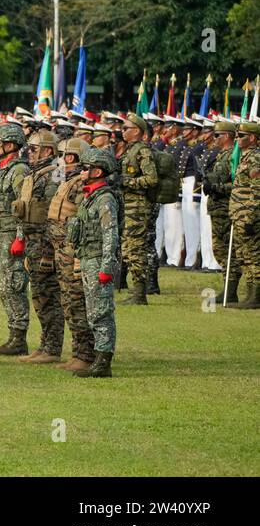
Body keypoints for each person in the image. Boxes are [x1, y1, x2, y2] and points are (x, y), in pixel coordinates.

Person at [71, 145, 122, 377]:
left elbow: (110, 233)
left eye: (86, 168)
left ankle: (103, 363)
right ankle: (98, 358)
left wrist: (107, 267)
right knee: (93, 311)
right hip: (88, 258)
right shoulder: (90, 197)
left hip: (99, 260)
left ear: (98, 172)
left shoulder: (104, 199)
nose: (82, 172)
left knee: (101, 312)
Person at [15, 130, 63, 364]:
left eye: (33, 149)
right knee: (39, 296)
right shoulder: (36, 175)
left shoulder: (54, 175)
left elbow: (50, 217)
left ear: (48, 151)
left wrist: (48, 252)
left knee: (49, 296)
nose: (29, 153)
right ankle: (44, 345)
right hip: (33, 243)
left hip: (46, 245)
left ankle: (52, 348)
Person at [48, 137, 95, 372]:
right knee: (68, 302)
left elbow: (83, 222)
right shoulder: (67, 183)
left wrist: (77, 257)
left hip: (73, 253)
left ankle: (85, 355)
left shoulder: (80, 185)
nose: (60, 161)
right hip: (62, 251)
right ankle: (78, 352)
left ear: (73, 157)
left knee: (77, 302)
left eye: (64, 156)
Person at [0, 122, 31, 356]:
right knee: (5, 286)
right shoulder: (3, 169)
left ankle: (19, 337)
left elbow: (24, 206)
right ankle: (13, 334)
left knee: (14, 284)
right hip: (0, 232)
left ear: (11, 145)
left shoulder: (19, 171)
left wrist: (20, 238)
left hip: (12, 234)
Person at [115, 114, 159, 305]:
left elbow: (151, 179)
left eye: (126, 128)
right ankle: (137, 292)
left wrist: (126, 182)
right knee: (128, 247)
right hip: (128, 204)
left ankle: (140, 293)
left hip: (138, 207)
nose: (122, 131)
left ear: (137, 131)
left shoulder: (142, 152)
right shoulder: (129, 151)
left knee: (136, 249)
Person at [203, 121, 239, 300]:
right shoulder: (222, 156)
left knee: (226, 249)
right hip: (217, 208)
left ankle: (230, 291)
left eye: (217, 135)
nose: (214, 138)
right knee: (219, 249)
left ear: (226, 136)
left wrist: (217, 187)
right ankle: (228, 287)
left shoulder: (234, 156)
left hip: (225, 208)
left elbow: (239, 184)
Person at [227, 122, 260, 309]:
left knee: (253, 255)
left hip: (249, 215)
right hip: (239, 214)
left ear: (253, 138)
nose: (237, 139)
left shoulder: (255, 159)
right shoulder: (246, 157)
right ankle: (250, 295)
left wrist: (250, 218)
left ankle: (256, 296)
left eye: (242, 136)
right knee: (243, 255)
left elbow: (257, 191)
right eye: (237, 136)